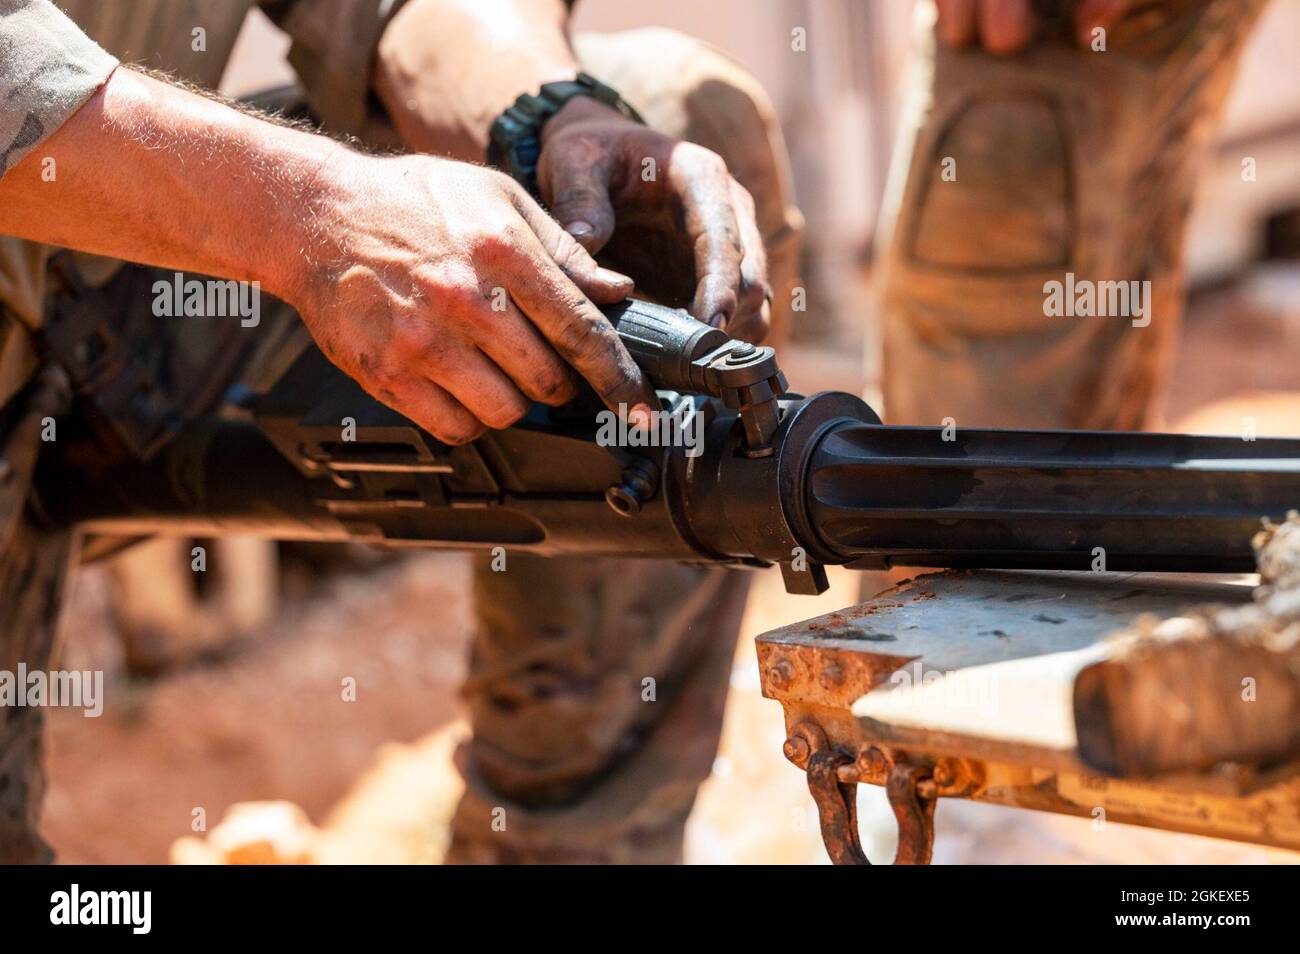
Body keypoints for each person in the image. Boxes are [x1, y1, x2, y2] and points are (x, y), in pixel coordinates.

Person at [0, 0, 803, 863]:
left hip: (130, 260)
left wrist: (549, 116)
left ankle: (561, 843)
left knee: (661, 117)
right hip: (109, 207)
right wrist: (312, 210)